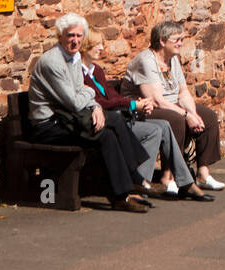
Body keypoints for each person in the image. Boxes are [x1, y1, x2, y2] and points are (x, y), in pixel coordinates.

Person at [28, 13, 149, 213]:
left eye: (79, 36)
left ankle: (125, 190)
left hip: (67, 118)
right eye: (70, 35)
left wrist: (96, 107)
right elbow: (75, 101)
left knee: (111, 128)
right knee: (106, 133)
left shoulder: (74, 57)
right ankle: (130, 184)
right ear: (60, 36)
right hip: (48, 126)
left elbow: (79, 93)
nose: (75, 41)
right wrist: (91, 92)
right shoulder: (53, 62)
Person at [80, 30, 212, 202]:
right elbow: (100, 102)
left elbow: (113, 96)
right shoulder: (79, 73)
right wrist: (134, 104)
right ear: (85, 47)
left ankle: (183, 182)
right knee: (156, 129)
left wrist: (139, 103)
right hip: (108, 122)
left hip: (120, 116)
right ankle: (141, 183)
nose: (101, 48)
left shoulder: (96, 70)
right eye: (97, 44)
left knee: (162, 126)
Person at [124, 21, 225, 191]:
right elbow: (157, 100)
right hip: (144, 108)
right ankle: (167, 176)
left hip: (171, 104)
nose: (180, 43)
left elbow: (183, 92)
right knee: (176, 120)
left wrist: (193, 113)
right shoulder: (146, 60)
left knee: (208, 116)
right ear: (162, 41)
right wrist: (186, 115)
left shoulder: (173, 59)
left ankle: (203, 173)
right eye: (176, 39)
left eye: (182, 39)